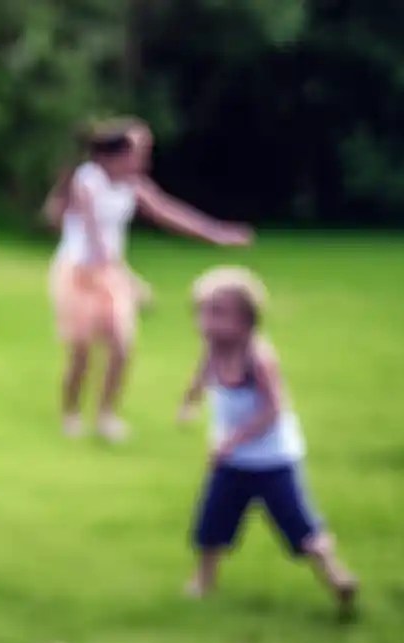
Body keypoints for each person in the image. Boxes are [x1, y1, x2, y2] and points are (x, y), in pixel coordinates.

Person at [43, 117, 253, 442]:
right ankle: (71, 414)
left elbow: (169, 213)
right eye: (139, 151)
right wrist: (129, 280)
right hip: (77, 272)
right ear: (117, 154)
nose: (144, 159)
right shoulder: (88, 180)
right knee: (82, 350)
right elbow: (95, 238)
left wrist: (218, 234)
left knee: (122, 344)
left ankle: (105, 416)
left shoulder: (133, 184)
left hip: (111, 271)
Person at [177, 266, 358, 619]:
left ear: (247, 322)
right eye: (202, 312)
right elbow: (201, 375)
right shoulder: (213, 348)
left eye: (217, 313)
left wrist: (233, 440)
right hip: (231, 463)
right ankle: (203, 580)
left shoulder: (257, 358)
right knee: (212, 523)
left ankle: (337, 577)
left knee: (300, 527)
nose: (206, 322)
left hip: (273, 461)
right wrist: (189, 403)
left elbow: (275, 408)